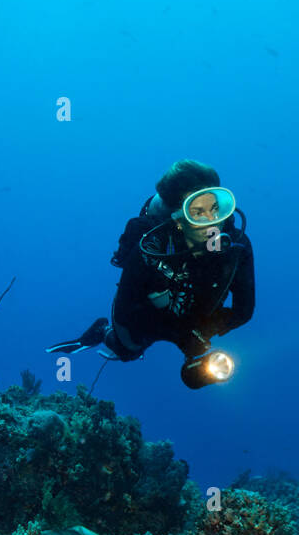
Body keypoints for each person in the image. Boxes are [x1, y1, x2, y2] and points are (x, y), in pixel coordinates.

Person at [47, 159, 254, 387]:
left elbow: (243, 310)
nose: (212, 222)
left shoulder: (237, 246)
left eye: (215, 208)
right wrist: (180, 334)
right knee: (128, 348)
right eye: (197, 212)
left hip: (195, 313)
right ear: (177, 219)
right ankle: (101, 331)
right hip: (147, 313)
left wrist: (205, 329)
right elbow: (128, 309)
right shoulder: (149, 247)